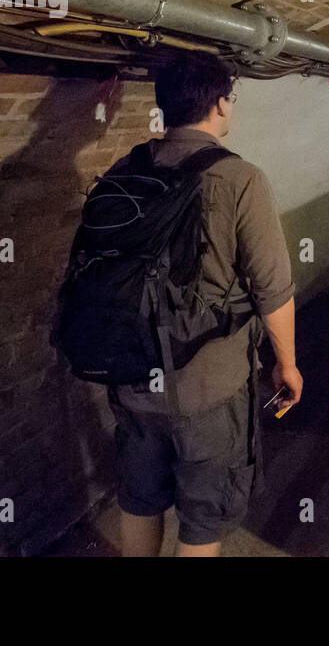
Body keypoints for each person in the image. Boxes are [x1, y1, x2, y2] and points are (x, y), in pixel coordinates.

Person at [105, 55, 299, 557]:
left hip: (132, 376)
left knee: (139, 501)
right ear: (217, 104)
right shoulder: (240, 180)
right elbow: (273, 290)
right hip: (209, 389)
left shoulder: (122, 172)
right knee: (202, 520)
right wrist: (288, 365)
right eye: (230, 98)